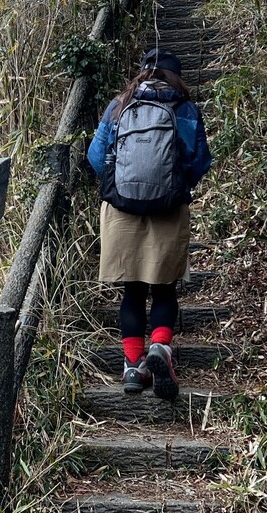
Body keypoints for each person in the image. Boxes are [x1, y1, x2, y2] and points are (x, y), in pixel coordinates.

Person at [86, 48, 212, 399]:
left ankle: (131, 366)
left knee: (132, 289)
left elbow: (95, 157)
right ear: (176, 75)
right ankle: (160, 347)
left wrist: (119, 184)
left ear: (142, 72)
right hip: (169, 210)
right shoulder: (185, 109)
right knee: (165, 287)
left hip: (121, 211)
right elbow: (200, 161)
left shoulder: (119, 105)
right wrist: (176, 186)